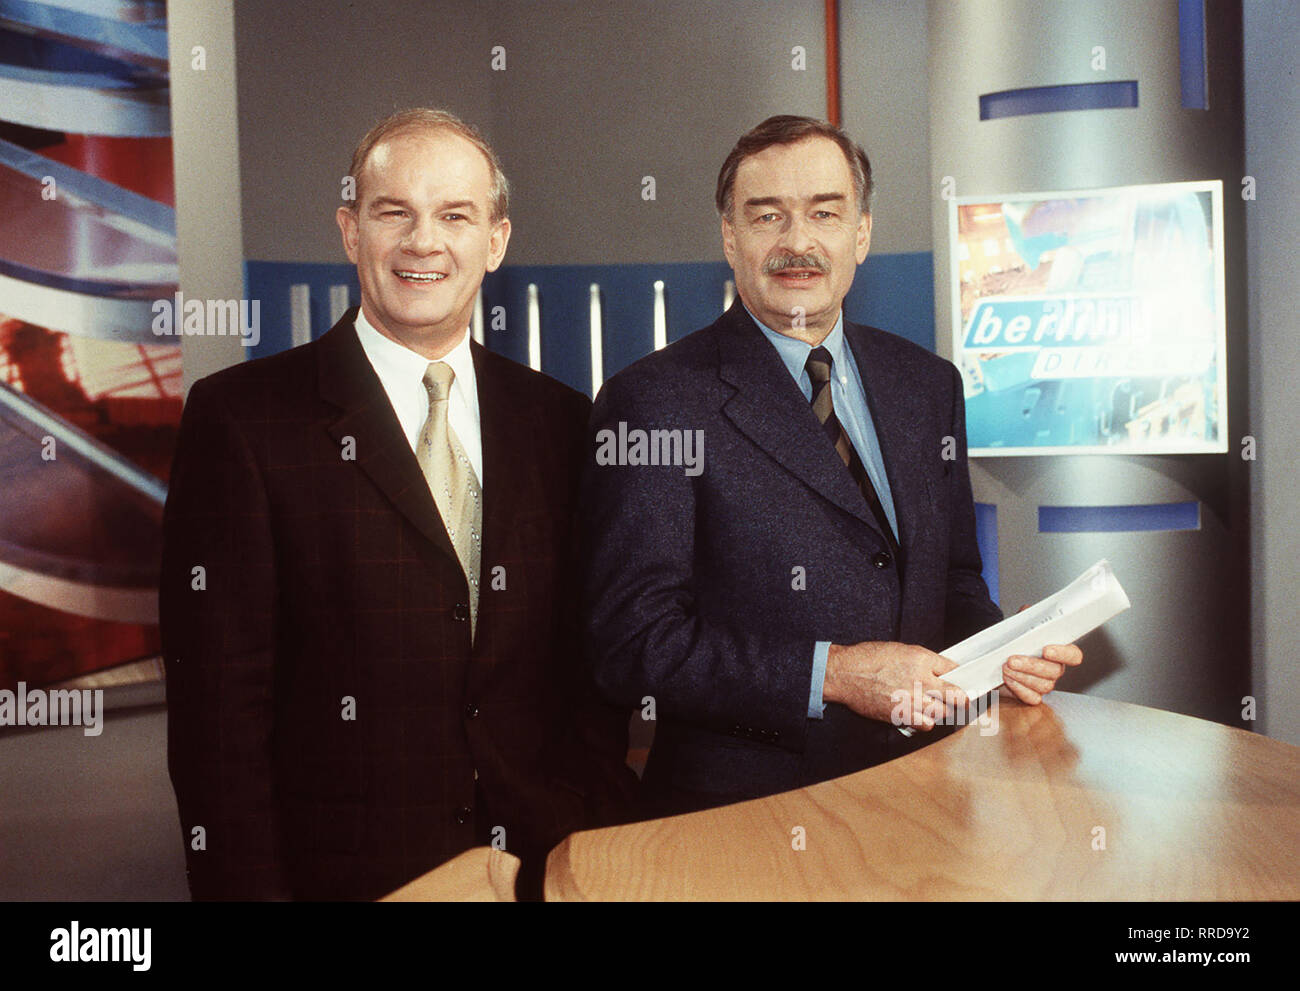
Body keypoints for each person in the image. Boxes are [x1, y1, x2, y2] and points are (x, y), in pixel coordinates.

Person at [162, 108, 635, 900]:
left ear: (497, 241)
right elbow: (217, 722)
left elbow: (588, 666)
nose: (425, 242)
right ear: (351, 231)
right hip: (345, 879)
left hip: (541, 867)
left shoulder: (559, 420)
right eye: (394, 213)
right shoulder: (243, 420)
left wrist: (585, 820)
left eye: (456, 215)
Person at [582, 115, 1082, 817]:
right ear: (730, 238)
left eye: (825, 212)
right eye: (767, 216)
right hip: (743, 821)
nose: (798, 241)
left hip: (927, 798)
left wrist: (1000, 650)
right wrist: (835, 674)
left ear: (862, 233)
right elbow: (634, 643)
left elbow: (954, 581)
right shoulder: (656, 401)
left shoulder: (927, 386)